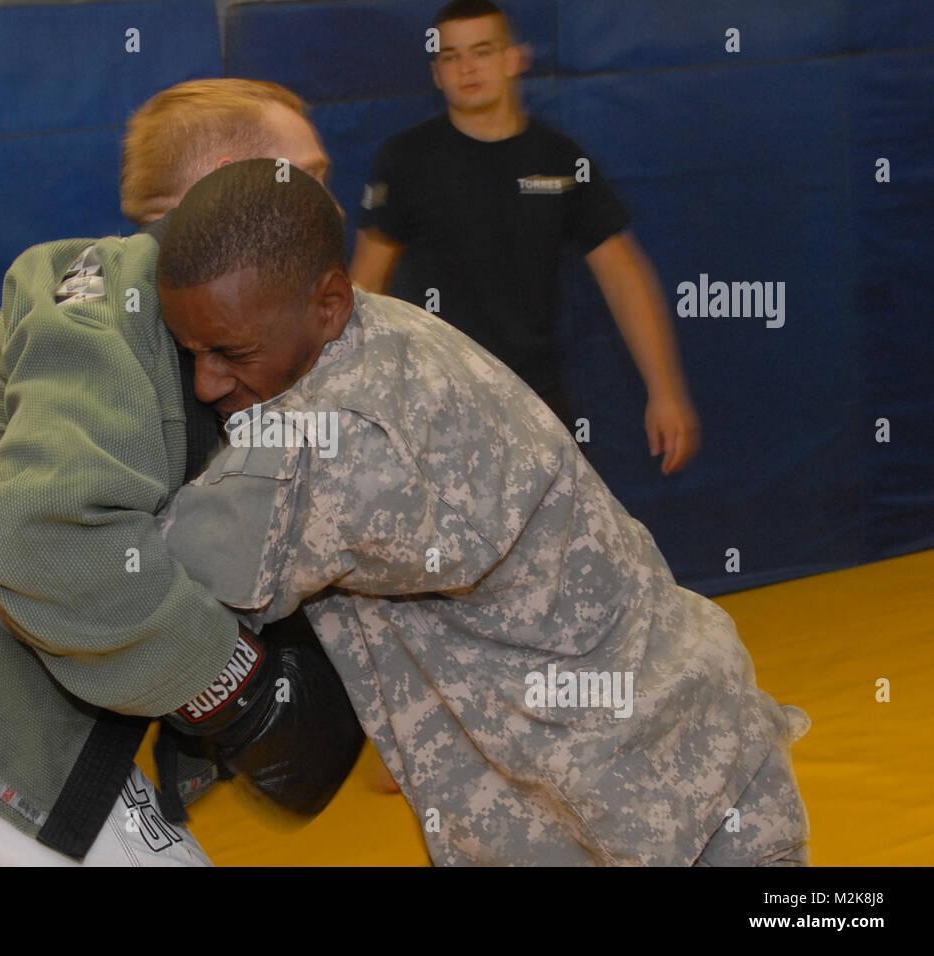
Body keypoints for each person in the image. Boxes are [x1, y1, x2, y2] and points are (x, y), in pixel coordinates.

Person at [151, 158, 811, 866]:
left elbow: (129, 574)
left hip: (645, 812)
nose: (208, 380)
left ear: (330, 302)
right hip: (667, 768)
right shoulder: (374, 333)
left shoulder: (337, 452)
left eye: (230, 352)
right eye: (189, 351)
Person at [0, 79, 364, 867]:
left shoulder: (80, 290)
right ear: (238, 179)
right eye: (314, 176)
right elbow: (45, 541)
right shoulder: (133, 288)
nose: (331, 205)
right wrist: (234, 682)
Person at [350, 0, 700, 475]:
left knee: (565, 544)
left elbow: (624, 275)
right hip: (434, 404)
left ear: (515, 59)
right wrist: (352, 402)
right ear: (437, 73)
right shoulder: (405, 160)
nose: (467, 67)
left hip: (535, 397)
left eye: (482, 51)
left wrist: (665, 391)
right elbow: (361, 291)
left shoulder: (559, 158)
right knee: (445, 549)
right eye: (451, 56)